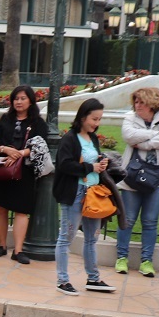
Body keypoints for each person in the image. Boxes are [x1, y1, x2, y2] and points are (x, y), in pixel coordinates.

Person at [51, 98, 116, 296]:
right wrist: (90, 167)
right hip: (75, 194)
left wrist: (100, 163)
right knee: (66, 238)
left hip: (93, 194)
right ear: (83, 116)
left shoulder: (92, 138)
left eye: (99, 119)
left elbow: (91, 161)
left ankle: (93, 278)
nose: (96, 123)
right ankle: (62, 281)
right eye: (94, 119)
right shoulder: (70, 138)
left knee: (91, 239)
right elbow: (64, 165)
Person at [115, 86, 159, 278]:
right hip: (132, 176)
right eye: (136, 101)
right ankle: (121, 257)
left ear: (152, 103)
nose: (137, 105)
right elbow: (128, 136)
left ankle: (147, 261)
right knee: (128, 218)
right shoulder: (129, 118)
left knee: (150, 221)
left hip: (158, 178)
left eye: (142, 102)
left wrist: (145, 142)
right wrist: (154, 135)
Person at [0, 84, 47, 264]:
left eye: (23, 98)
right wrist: (5, 149)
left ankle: (18, 250)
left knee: (22, 210)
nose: (19, 102)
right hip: (3, 169)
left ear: (30, 101)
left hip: (24, 171)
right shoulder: (5, 119)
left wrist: (20, 154)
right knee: (1, 207)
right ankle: (2, 245)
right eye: (16, 98)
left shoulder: (37, 122)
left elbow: (40, 146)